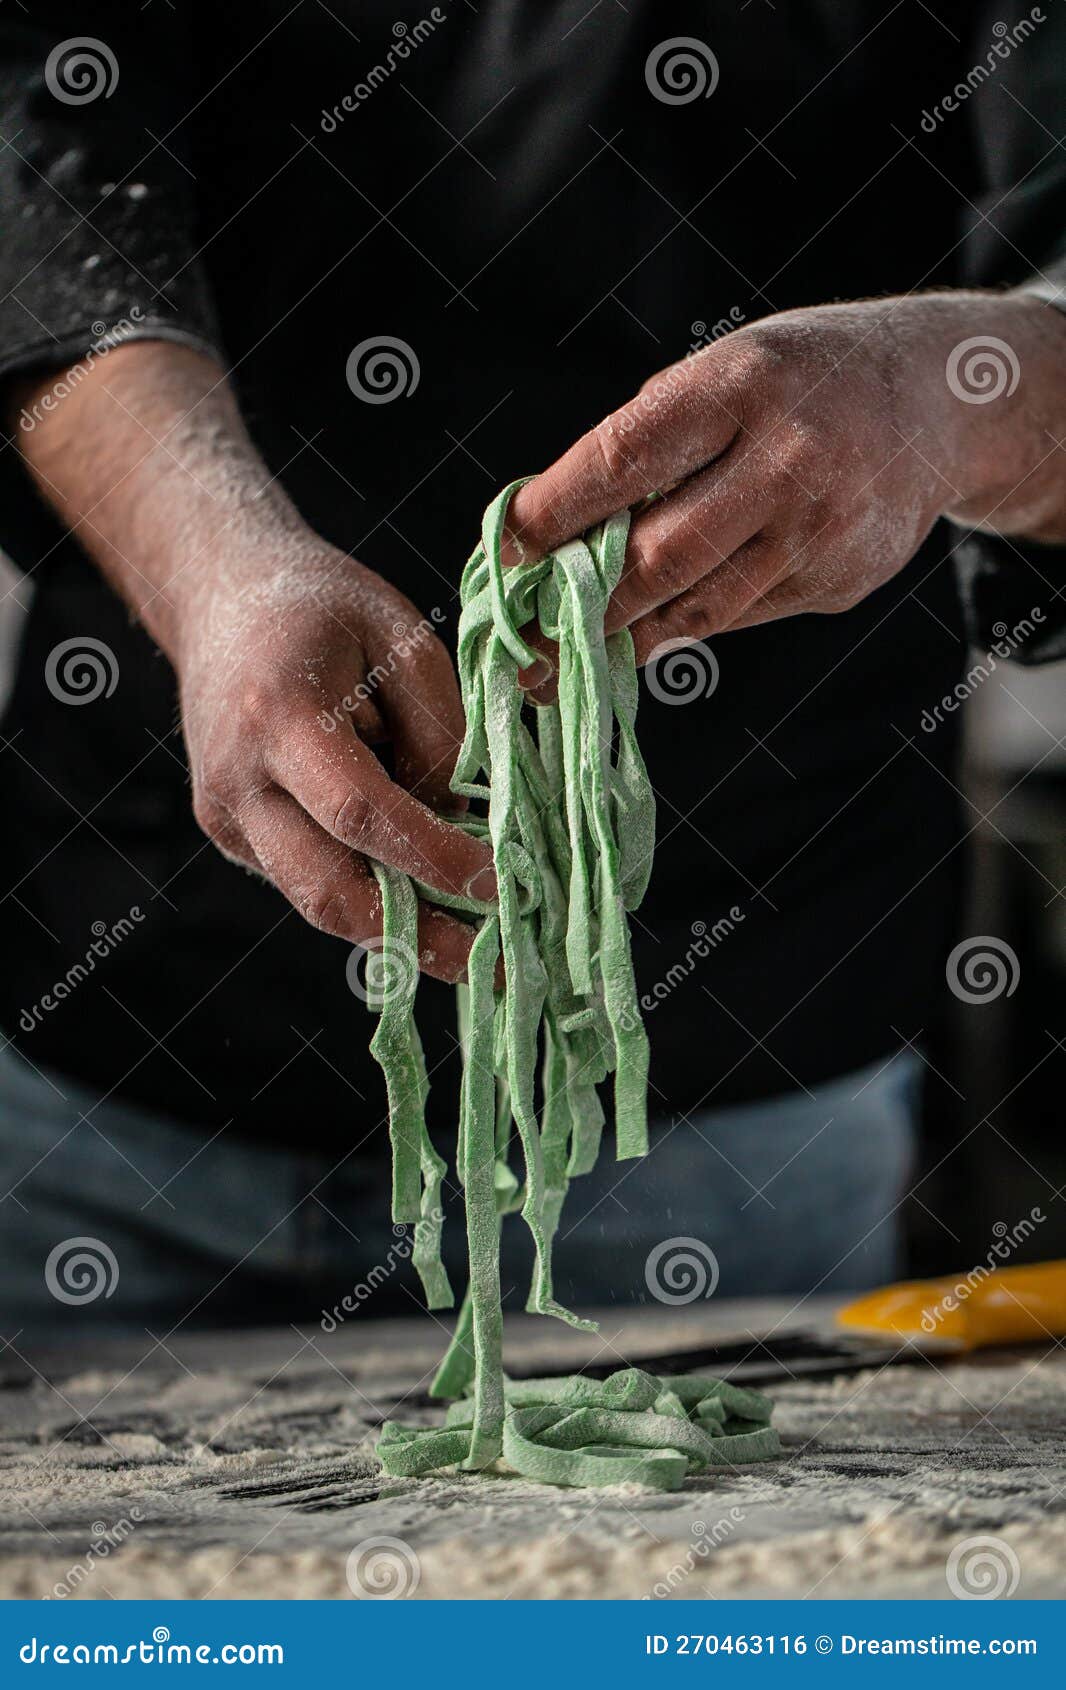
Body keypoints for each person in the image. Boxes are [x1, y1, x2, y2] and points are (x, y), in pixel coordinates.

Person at [1, 1, 1064, 1335]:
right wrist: (216, 564)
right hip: (123, 1030)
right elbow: (40, 168)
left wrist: (952, 399)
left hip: (734, 1063)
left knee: (741, 1539)